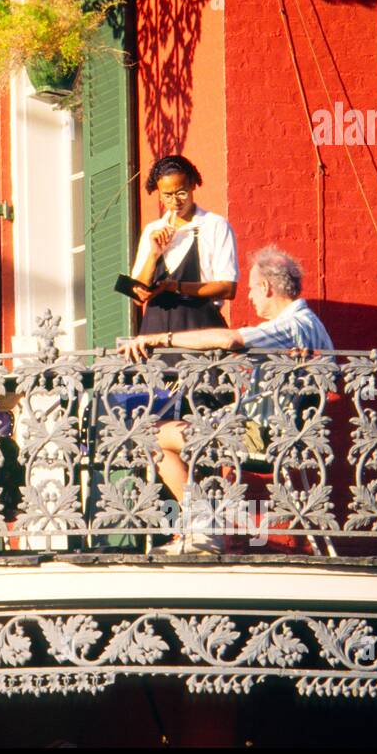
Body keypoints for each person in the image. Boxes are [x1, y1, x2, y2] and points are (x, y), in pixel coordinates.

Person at [122, 246, 332, 553]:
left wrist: (160, 338)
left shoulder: (290, 325)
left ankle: (204, 529)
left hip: (259, 436)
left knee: (147, 435)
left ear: (266, 287)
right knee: (162, 434)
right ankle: (202, 527)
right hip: (286, 434)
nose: (249, 297)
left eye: (251, 290)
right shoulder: (315, 326)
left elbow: (229, 339)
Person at [130, 155, 238, 334]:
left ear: (193, 185)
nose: (175, 202)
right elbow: (137, 297)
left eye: (181, 192)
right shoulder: (152, 230)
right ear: (159, 193)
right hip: (154, 336)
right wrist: (153, 254)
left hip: (201, 332)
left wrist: (174, 287)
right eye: (167, 195)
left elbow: (227, 288)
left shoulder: (214, 225)